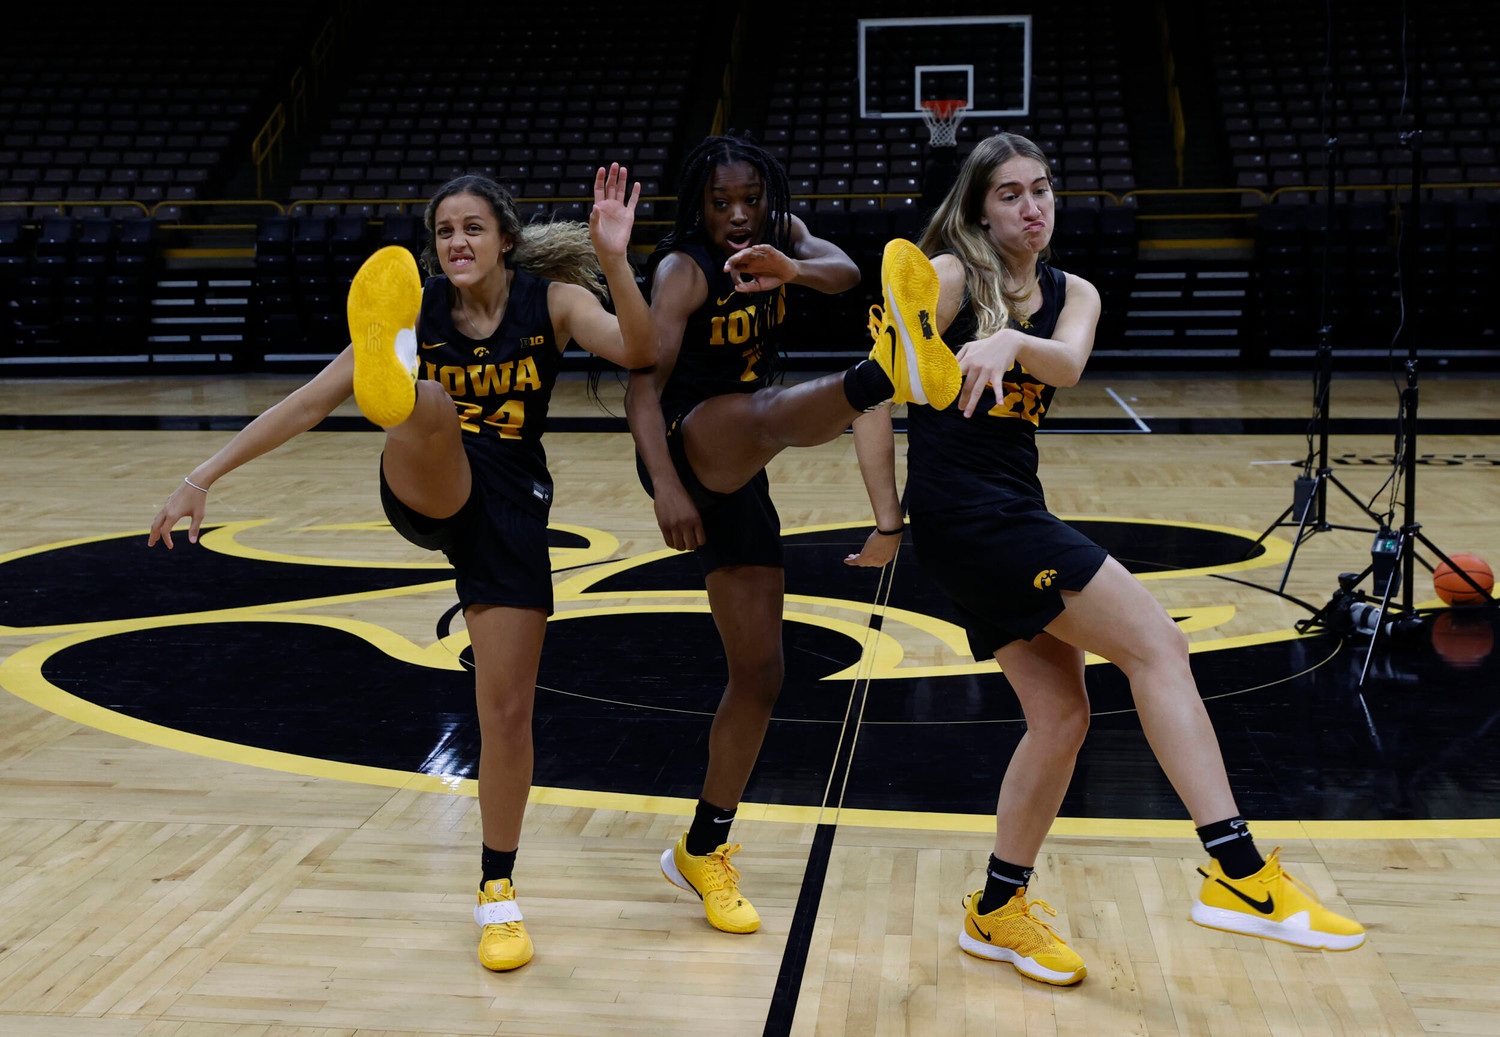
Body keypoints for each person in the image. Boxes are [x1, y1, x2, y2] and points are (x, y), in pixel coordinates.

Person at [867, 132, 1366, 985]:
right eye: (1011, 194)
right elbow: (870, 395)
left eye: (1043, 189)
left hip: (1012, 509)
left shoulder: (1073, 292)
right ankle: (1239, 872)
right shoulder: (945, 278)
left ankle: (997, 907)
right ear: (979, 208)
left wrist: (1009, 346)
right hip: (967, 519)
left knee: (1062, 718)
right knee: (1157, 645)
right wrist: (886, 518)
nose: (1033, 207)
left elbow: (1065, 362)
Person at [148, 165, 659, 972]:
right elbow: (310, 401)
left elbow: (642, 347)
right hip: (426, 477)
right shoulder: (418, 308)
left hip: (512, 511)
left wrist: (616, 257)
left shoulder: (550, 302)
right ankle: (393, 387)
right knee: (428, 407)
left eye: (472, 228)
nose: (457, 241)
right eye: (444, 231)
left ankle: (498, 893)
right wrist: (201, 475)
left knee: (506, 713)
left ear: (505, 239)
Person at [624, 132, 961, 934]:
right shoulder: (682, 271)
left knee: (762, 674)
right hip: (685, 439)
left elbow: (847, 272)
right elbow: (642, 391)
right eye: (722, 204)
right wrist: (666, 489)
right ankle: (887, 371)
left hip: (743, 456)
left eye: (751, 200)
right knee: (772, 414)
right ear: (698, 207)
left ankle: (703, 846)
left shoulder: (781, 231)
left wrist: (790, 265)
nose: (739, 216)